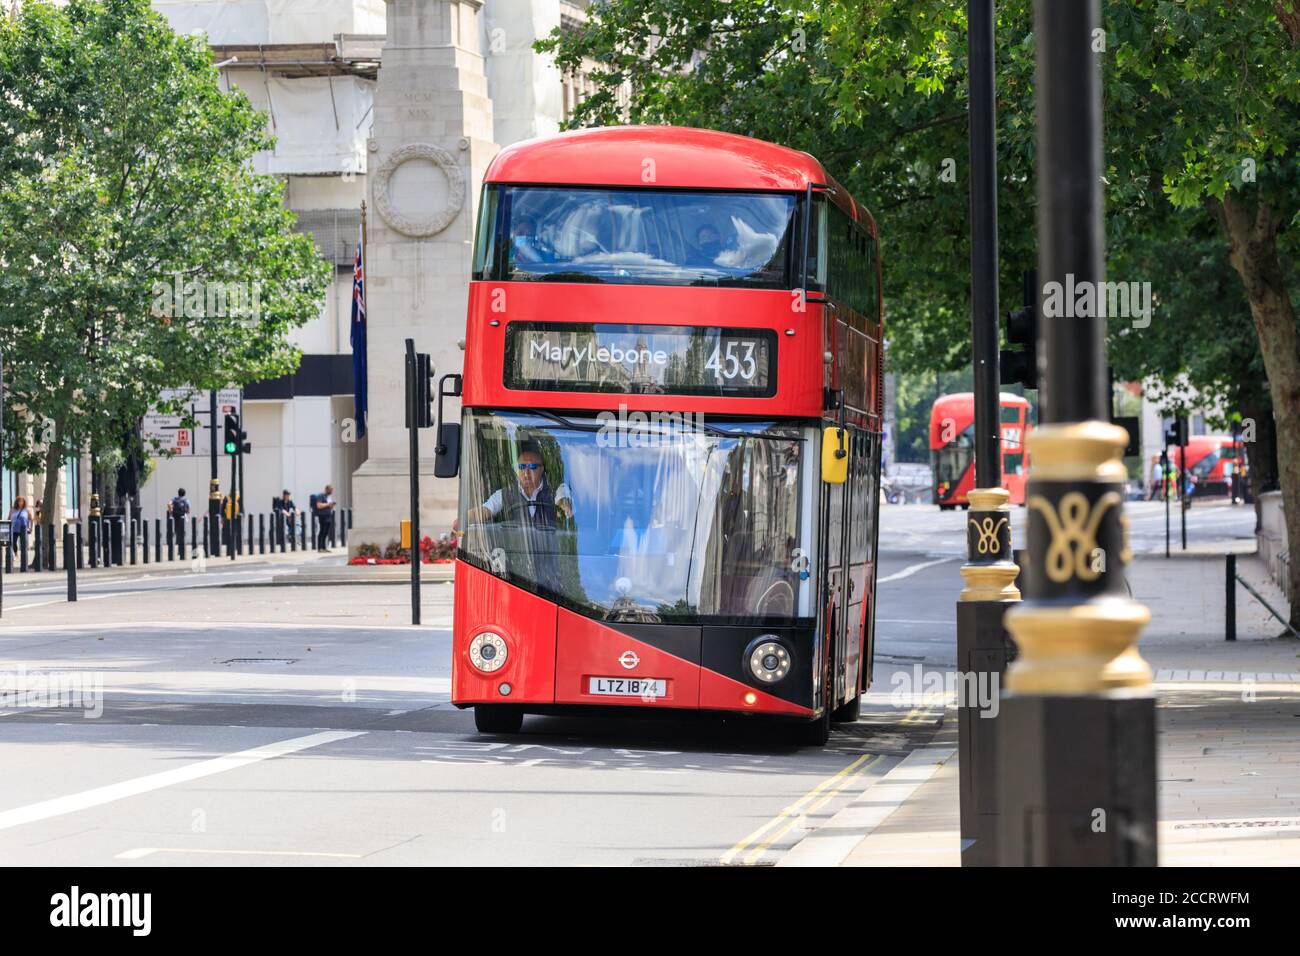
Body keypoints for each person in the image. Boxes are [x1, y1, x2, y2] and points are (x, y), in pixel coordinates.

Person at [9, 495, 32, 566]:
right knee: (13, 542)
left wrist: (30, 528)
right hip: (14, 529)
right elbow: (9, 518)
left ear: (24, 502)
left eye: (22, 501)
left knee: (23, 543)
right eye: (19, 501)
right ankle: (16, 554)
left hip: (23, 529)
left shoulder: (26, 510)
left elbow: (30, 520)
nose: (20, 503)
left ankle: (24, 557)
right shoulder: (12, 509)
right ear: (17, 502)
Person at [313, 484, 336, 552]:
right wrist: (328, 504)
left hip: (328, 515)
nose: (331, 492)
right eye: (330, 490)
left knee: (326, 532)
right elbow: (319, 505)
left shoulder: (328, 497)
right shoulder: (320, 496)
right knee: (322, 531)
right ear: (326, 489)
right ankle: (320, 548)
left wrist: (332, 505)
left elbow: (328, 506)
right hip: (322, 516)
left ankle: (324, 547)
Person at [167, 487, 190, 553]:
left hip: (175, 517)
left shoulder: (174, 499)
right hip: (183, 517)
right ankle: (181, 549)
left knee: (176, 532)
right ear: (184, 494)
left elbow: (169, 504)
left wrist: (171, 512)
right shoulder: (186, 500)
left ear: (178, 493)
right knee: (183, 533)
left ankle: (176, 548)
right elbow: (188, 510)